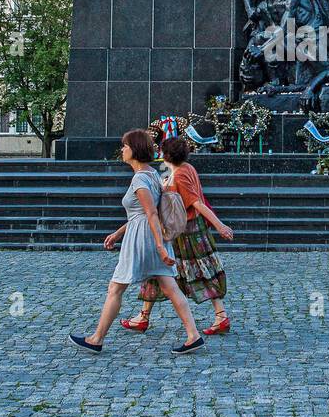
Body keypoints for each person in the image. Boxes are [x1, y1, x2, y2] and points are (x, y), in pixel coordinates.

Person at [68, 129, 204, 356]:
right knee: (170, 287)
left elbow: (150, 214)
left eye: (125, 146)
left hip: (143, 239)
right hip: (148, 235)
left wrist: (160, 247)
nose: (122, 150)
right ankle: (193, 335)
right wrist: (119, 233)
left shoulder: (140, 178)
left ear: (135, 150)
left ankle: (96, 338)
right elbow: (140, 213)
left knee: (116, 287)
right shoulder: (152, 174)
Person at [122, 136, 235, 335]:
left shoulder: (180, 175)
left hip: (185, 233)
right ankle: (144, 316)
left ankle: (221, 316)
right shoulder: (186, 169)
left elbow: (196, 203)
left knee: (173, 270)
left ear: (166, 156)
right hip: (190, 230)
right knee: (179, 271)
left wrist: (220, 225)